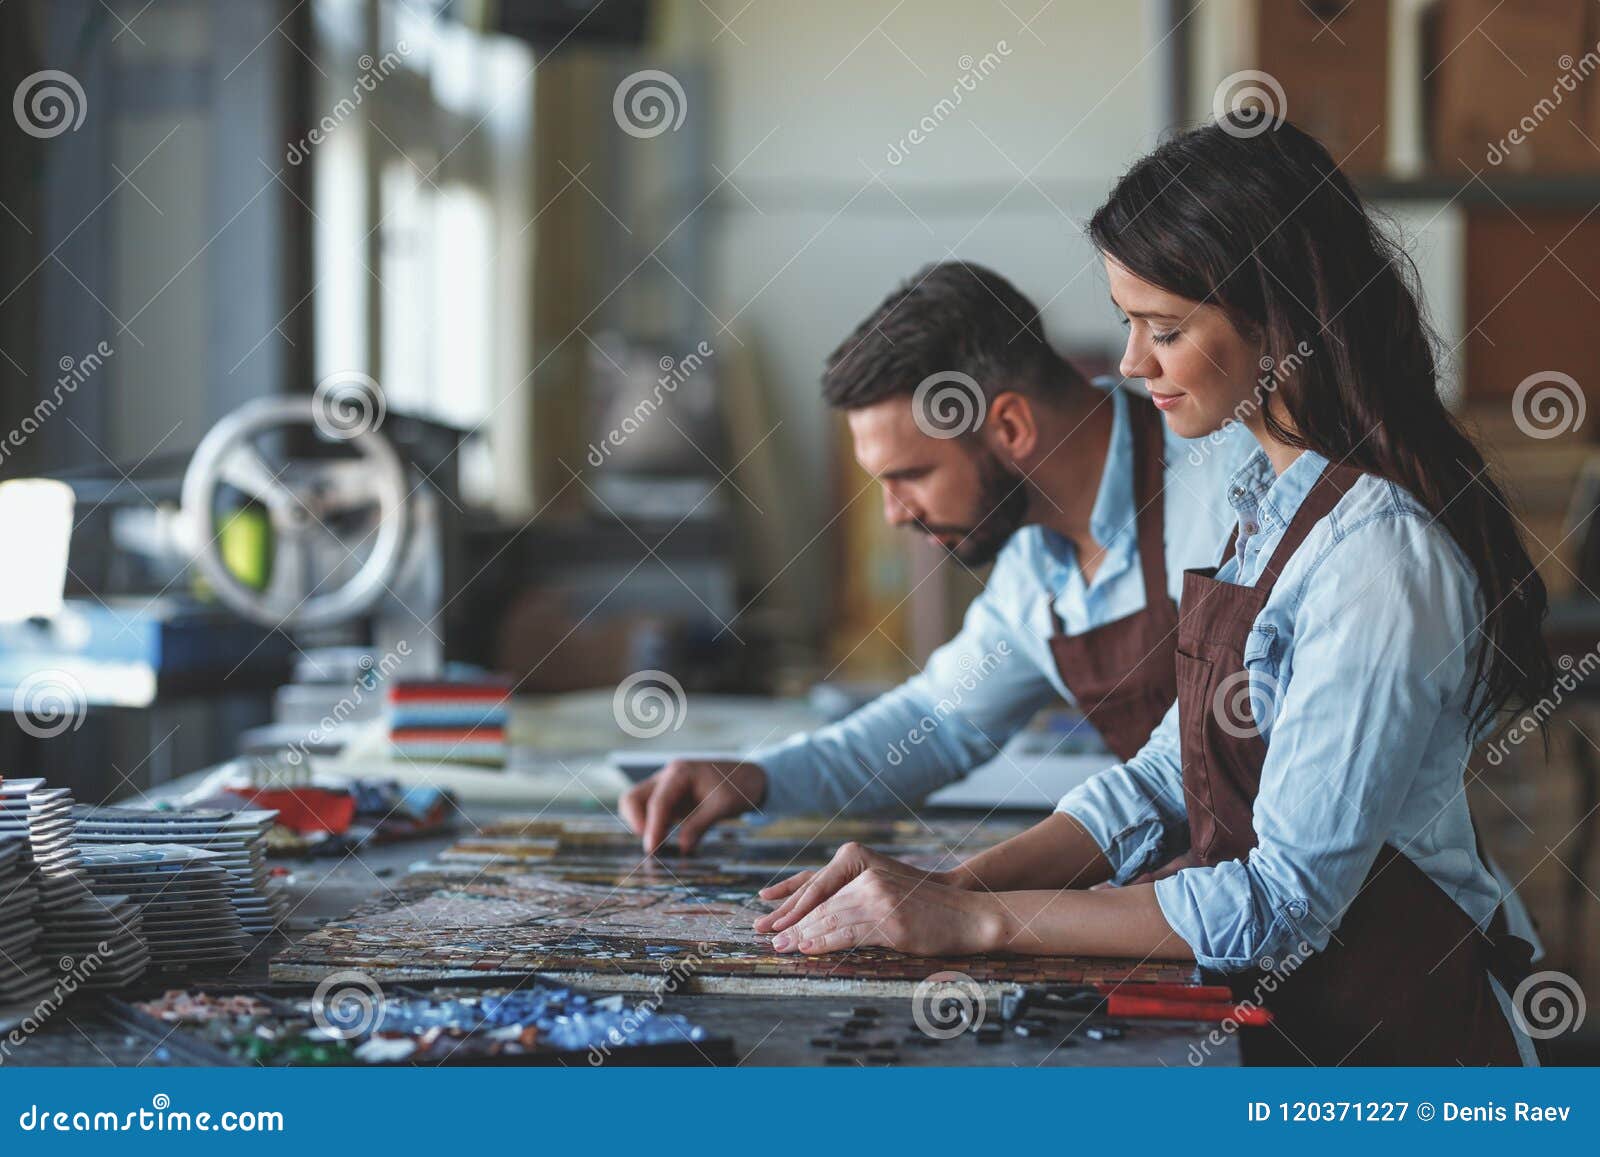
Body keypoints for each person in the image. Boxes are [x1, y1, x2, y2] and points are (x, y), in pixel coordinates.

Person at [752, 116, 1553, 1066]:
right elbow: (1165, 777)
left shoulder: (1379, 558)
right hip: (1291, 1024)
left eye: (1165, 330)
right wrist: (951, 886)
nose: (1131, 364)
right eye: (1131, 324)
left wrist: (976, 926)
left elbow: (1280, 904)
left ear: (1278, 320)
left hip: (1414, 1047)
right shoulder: (1268, 510)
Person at [621, 261, 1254, 854]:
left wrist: (973, 894)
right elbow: (938, 722)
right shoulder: (1036, 563)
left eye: (912, 475)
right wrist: (756, 780)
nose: (896, 514)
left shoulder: (1230, 490)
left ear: (1008, 428)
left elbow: (1192, 767)